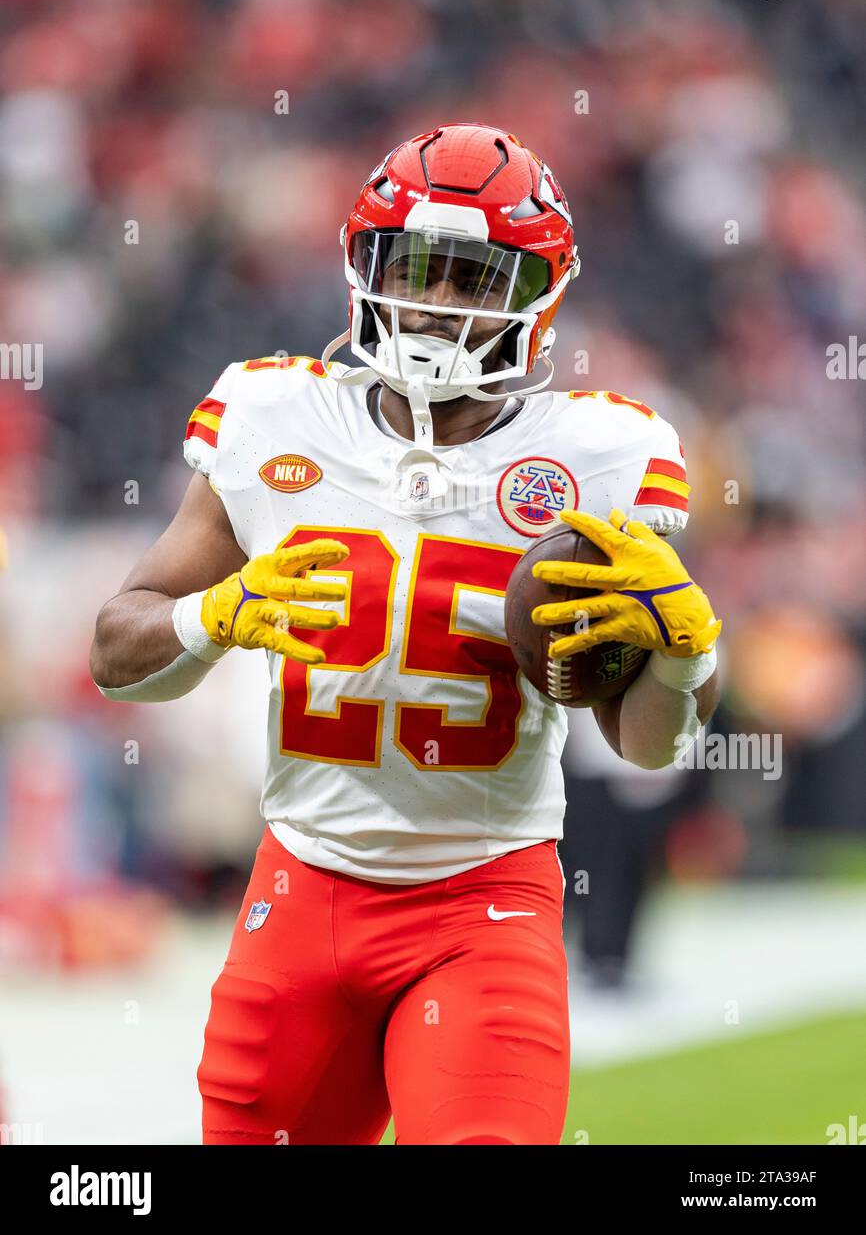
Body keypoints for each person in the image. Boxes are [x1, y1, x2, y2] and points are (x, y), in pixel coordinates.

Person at [90, 123, 721, 1146]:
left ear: (535, 296)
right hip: (301, 889)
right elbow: (115, 652)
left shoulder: (599, 452)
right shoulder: (272, 413)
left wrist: (688, 657)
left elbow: (647, 743)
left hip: (483, 904)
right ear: (361, 265)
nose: (436, 301)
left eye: (475, 278)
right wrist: (215, 617)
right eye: (415, 267)